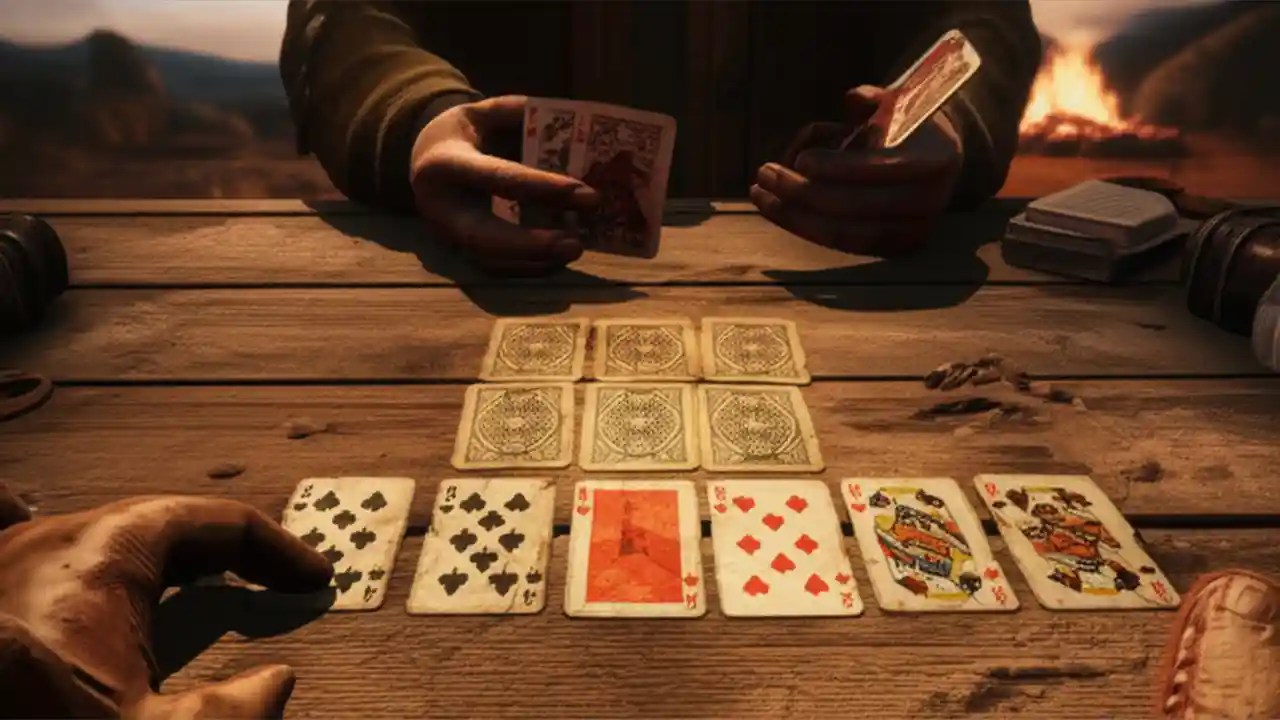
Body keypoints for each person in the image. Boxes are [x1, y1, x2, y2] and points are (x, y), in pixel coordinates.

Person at [280, 1, 1041, 276]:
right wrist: (417, 117)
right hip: (509, 276)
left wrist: (941, 121)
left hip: (838, 279)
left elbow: (979, 19)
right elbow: (346, 18)